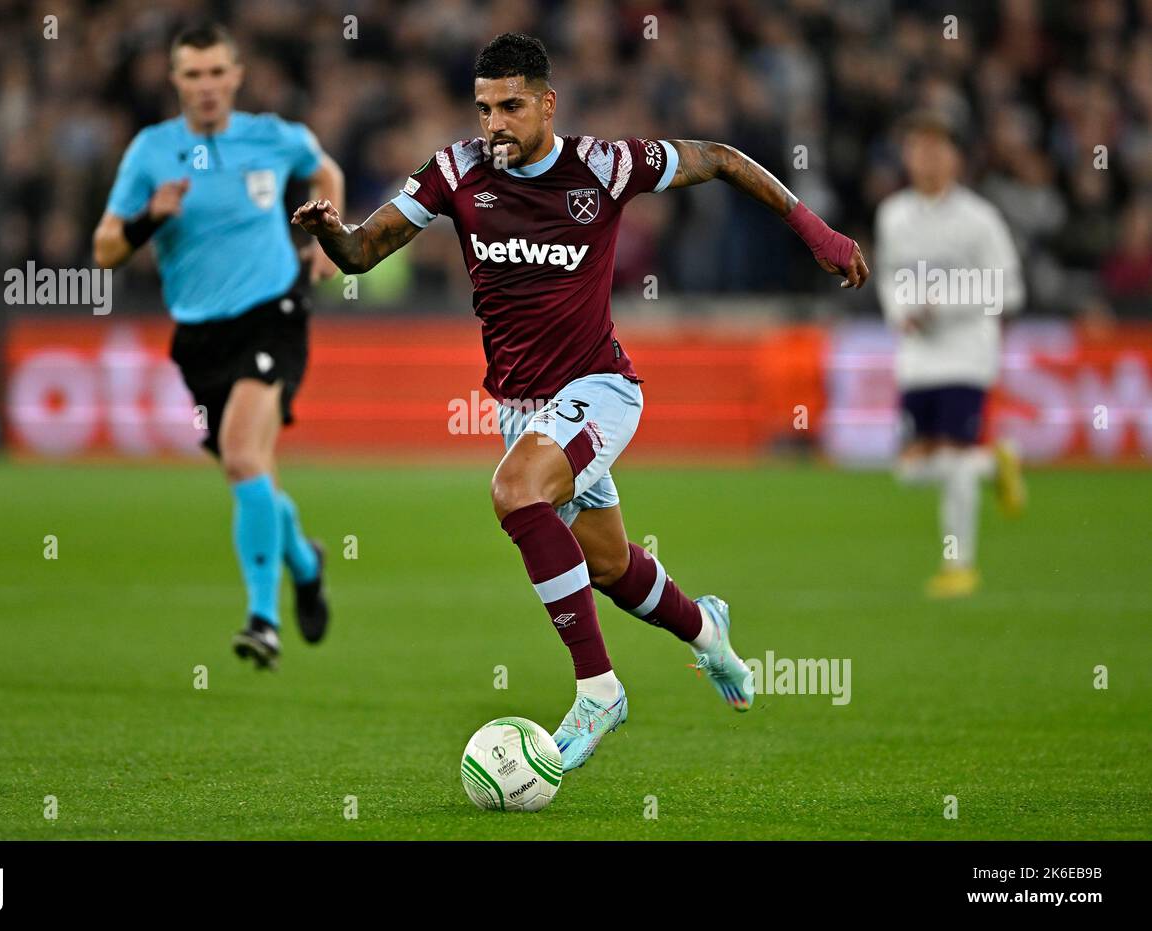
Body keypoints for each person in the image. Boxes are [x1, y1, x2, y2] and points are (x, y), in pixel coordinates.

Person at [293, 33, 868, 770]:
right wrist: (331, 236)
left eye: (510, 106)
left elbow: (721, 158)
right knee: (610, 566)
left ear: (546, 104)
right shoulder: (455, 171)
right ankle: (706, 631)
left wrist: (814, 231)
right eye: (482, 108)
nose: (493, 123)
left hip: (599, 389)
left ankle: (599, 691)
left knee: (513, 492)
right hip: (519, 406)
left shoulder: (604, 166)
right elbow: (365, 250)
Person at [93, 24, 345, 666]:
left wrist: (325, 239)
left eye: (215, 73)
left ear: (236, 76)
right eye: (192, 75)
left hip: (273, 313)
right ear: (174, 81)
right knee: (253, 471)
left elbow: (326, 172)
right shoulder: (152, 152)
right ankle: (304, 561)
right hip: (201, 337)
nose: (205, 86)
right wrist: (151, 217)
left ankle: (263, 619)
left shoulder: (271, 136)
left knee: (240, 456)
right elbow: (104, 251)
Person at [875, 111, 1027, 599]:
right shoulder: (893, 214)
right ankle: (995, 462)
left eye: (937, 149)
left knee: (955, 460)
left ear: (956, 158)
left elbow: (1012, 291)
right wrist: (901, 312)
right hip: (917, 358)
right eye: (918, 149)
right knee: (912, 471)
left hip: (966, 354)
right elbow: (888, 277)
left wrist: (947, 306)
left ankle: (958, 564)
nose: (926, 159)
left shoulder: (980, 218)